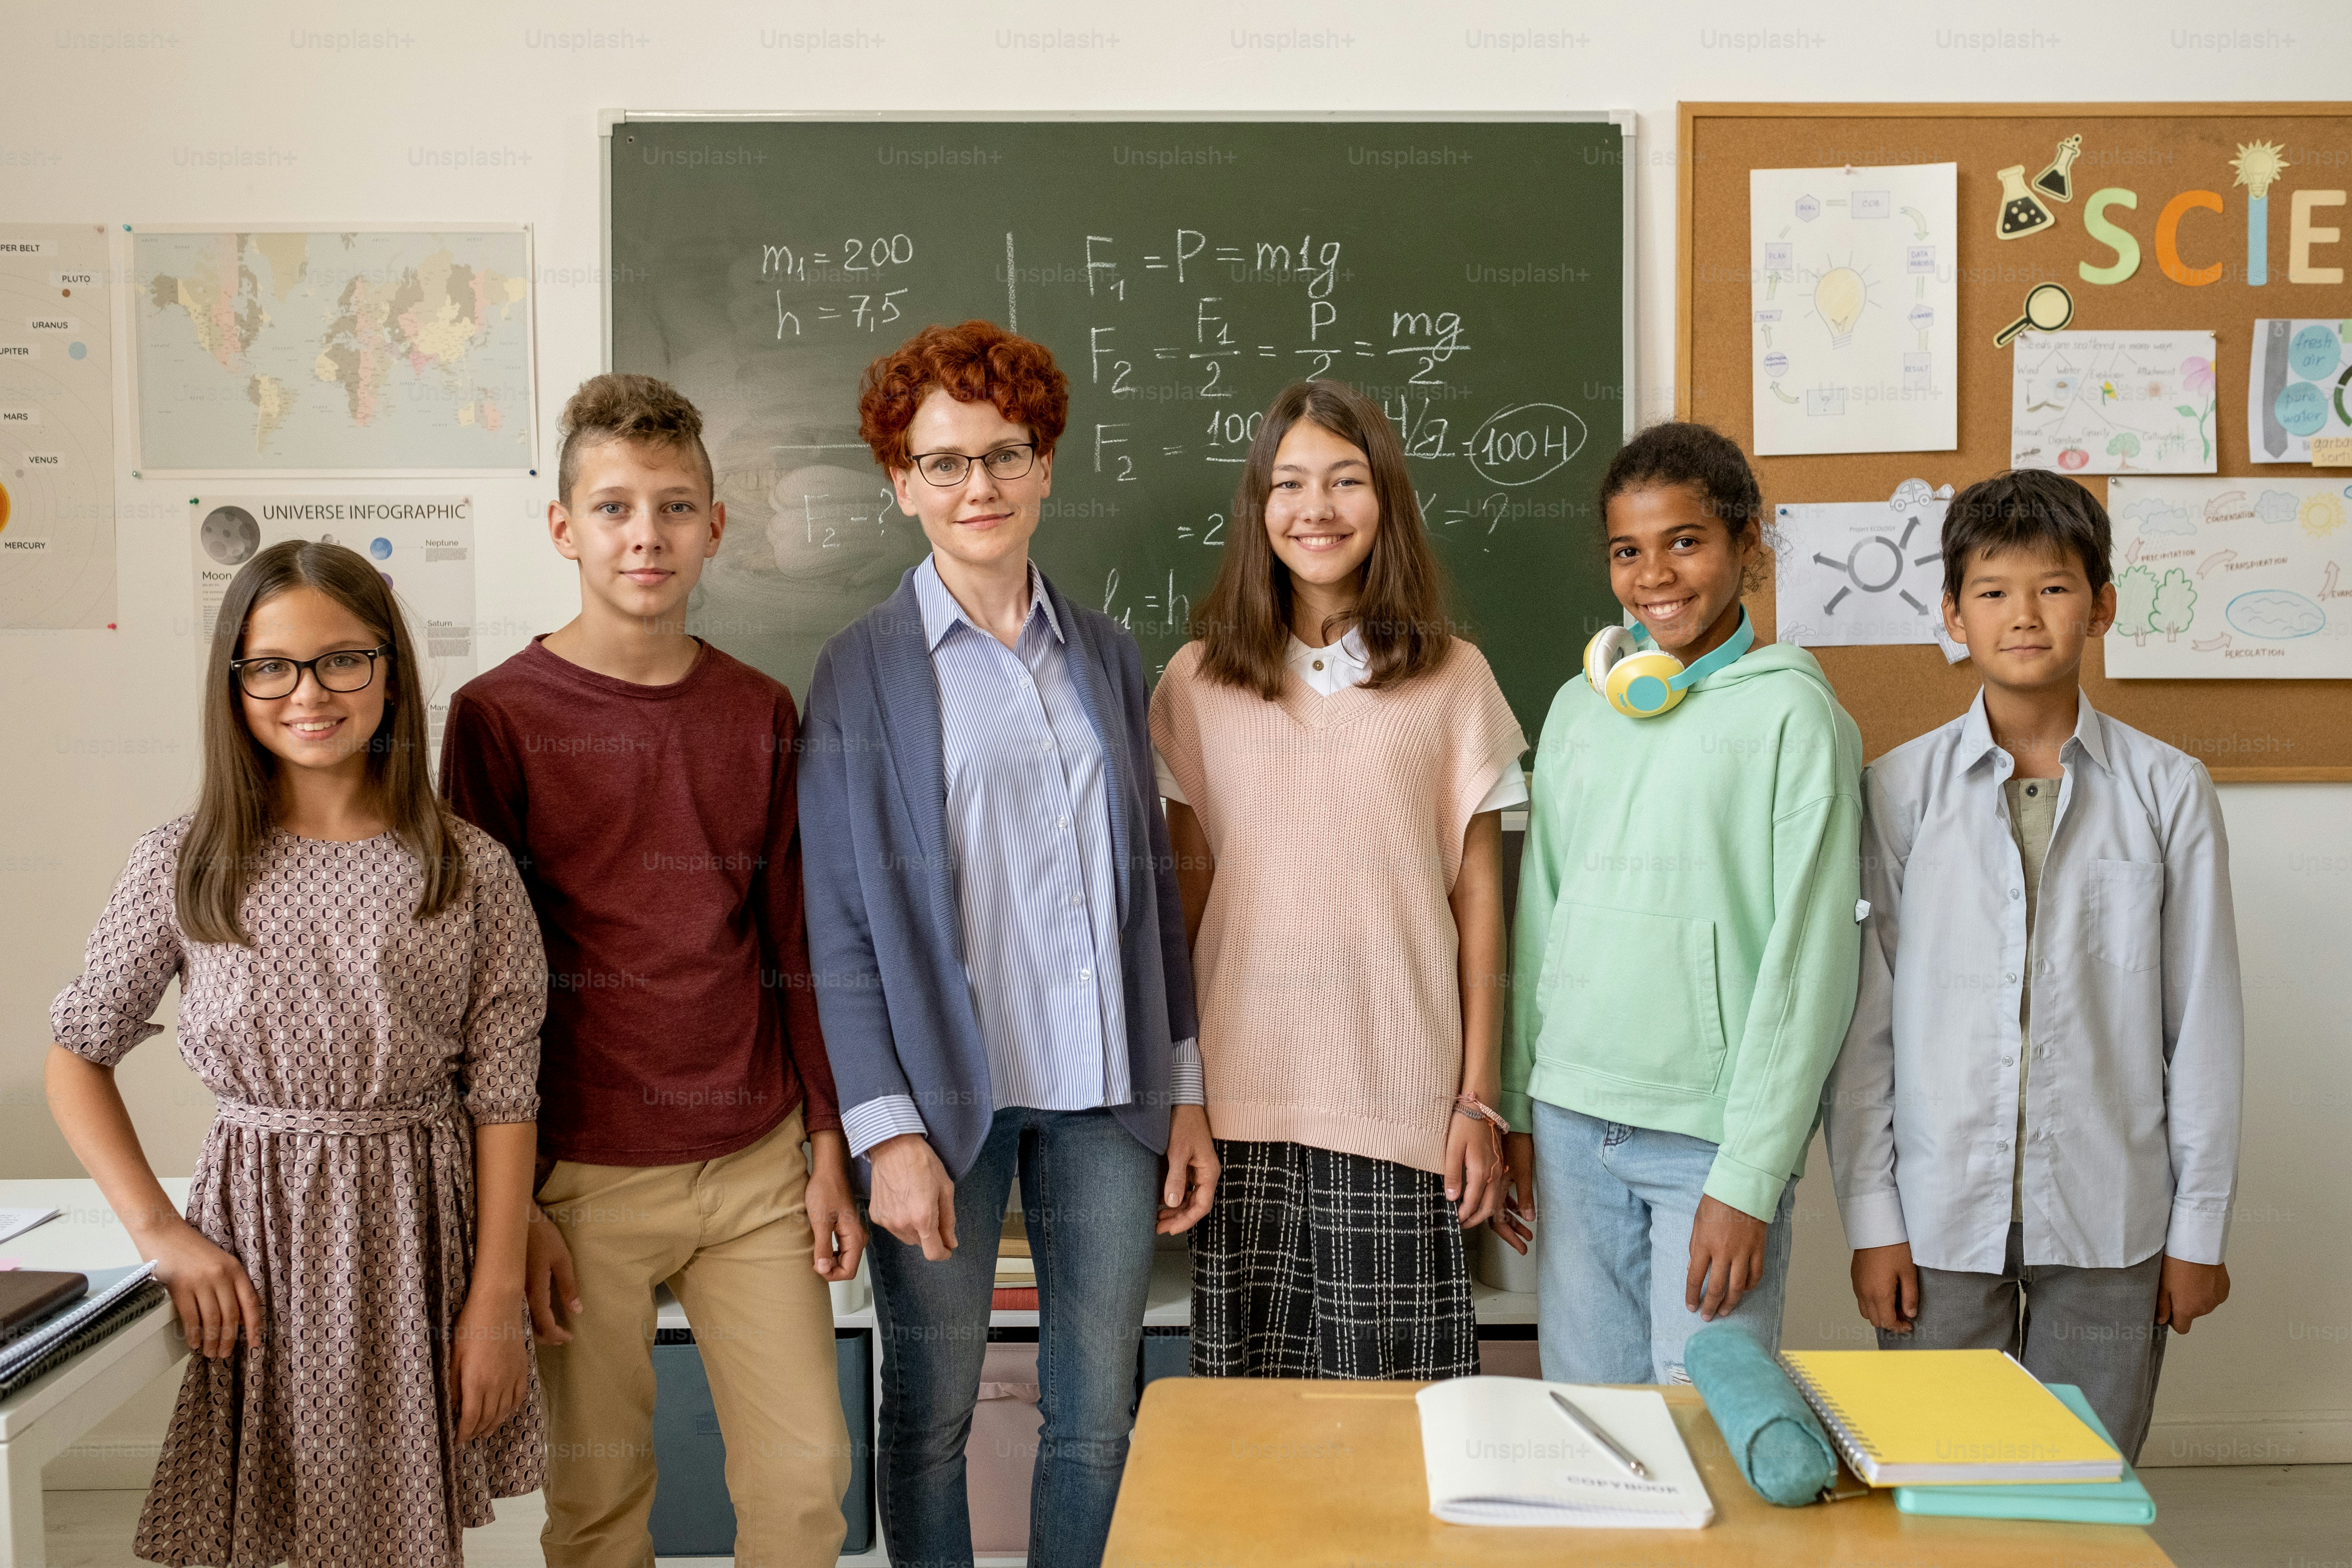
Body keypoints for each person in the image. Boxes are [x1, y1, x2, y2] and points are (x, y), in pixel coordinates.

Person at [799, 320, 1214, 1568]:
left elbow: (1151, 889)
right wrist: (886, 1134)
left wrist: (1181, 1090)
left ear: (1045, 468)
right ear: (899, 482)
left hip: (1103, 1104)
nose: (976, 486)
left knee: (1096, 1417)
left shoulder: (1103, 650)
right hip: (942, 1115)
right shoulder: (860, 670)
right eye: (943, 462)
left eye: (1004, 455)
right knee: (927, 1416)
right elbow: (837, 921)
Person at [48, 540, 545, 1567]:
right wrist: (158, 1230)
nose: (307, 692)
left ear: (389, 671)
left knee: (401, 1537)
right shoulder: (188, 863)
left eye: (340, 660)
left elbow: (504, 1093)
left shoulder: (467, 867)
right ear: (235, 683)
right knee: (273, 1527)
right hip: (257, 1243)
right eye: (271, 665)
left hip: (420, 1239)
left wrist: (494, 1297)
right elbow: (78, 1052)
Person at [440, 374, 860, 1568]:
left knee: (806, 1481)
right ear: (565, 529)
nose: (647, 534)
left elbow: (795, 938)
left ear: (717, 526)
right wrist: (512, 1205)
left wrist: (826, 1147)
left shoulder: (759, 709)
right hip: (582, 1179)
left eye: (676, 507)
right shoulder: (497, 718)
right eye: (615, 507)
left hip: (755, 1164)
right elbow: (480, 983)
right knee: (599, 1501)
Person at [1824, 469, 2242, 1462]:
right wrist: (1871, 1217)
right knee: (1940, 1477)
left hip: (2112, 1215)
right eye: (1992, 590)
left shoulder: (2168, 791)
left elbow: (2206, 1026)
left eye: (2053, 588)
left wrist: (2200, 1232)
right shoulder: (1899, 790)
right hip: (1936, 1214)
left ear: (2099, 605)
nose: (2023, 615)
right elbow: (1865, 1024)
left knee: (2079, 1487)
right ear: (1950, 614)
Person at [1149, 379, 1528, 1381]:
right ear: (1258, 508)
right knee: (1253, 1442)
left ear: (1386, 499)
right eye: (1290, 483)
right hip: (1241, 1108)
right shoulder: (1196, 682)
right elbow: (1180, 903)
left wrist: (1478, 1102)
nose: (1316, 508)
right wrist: (1180, 1096)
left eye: (1345, 480)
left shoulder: (1454, 677)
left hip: (1402, 1105)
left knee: (1400, 1435)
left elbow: (1480, 901)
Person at [1503, 420, 1864, 1385]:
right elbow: (1539, 914)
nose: (1653, 575)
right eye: (1628, 551)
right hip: (1574, 1119)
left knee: (1710, 1416)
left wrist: (1749, 1180)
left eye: (1686, 542)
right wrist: (1517, 1107)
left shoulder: (1797, 716)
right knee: (1594, 1419)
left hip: (1707, 1142)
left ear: (1750, 545)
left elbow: (1811, 968)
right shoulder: (1581, 709)